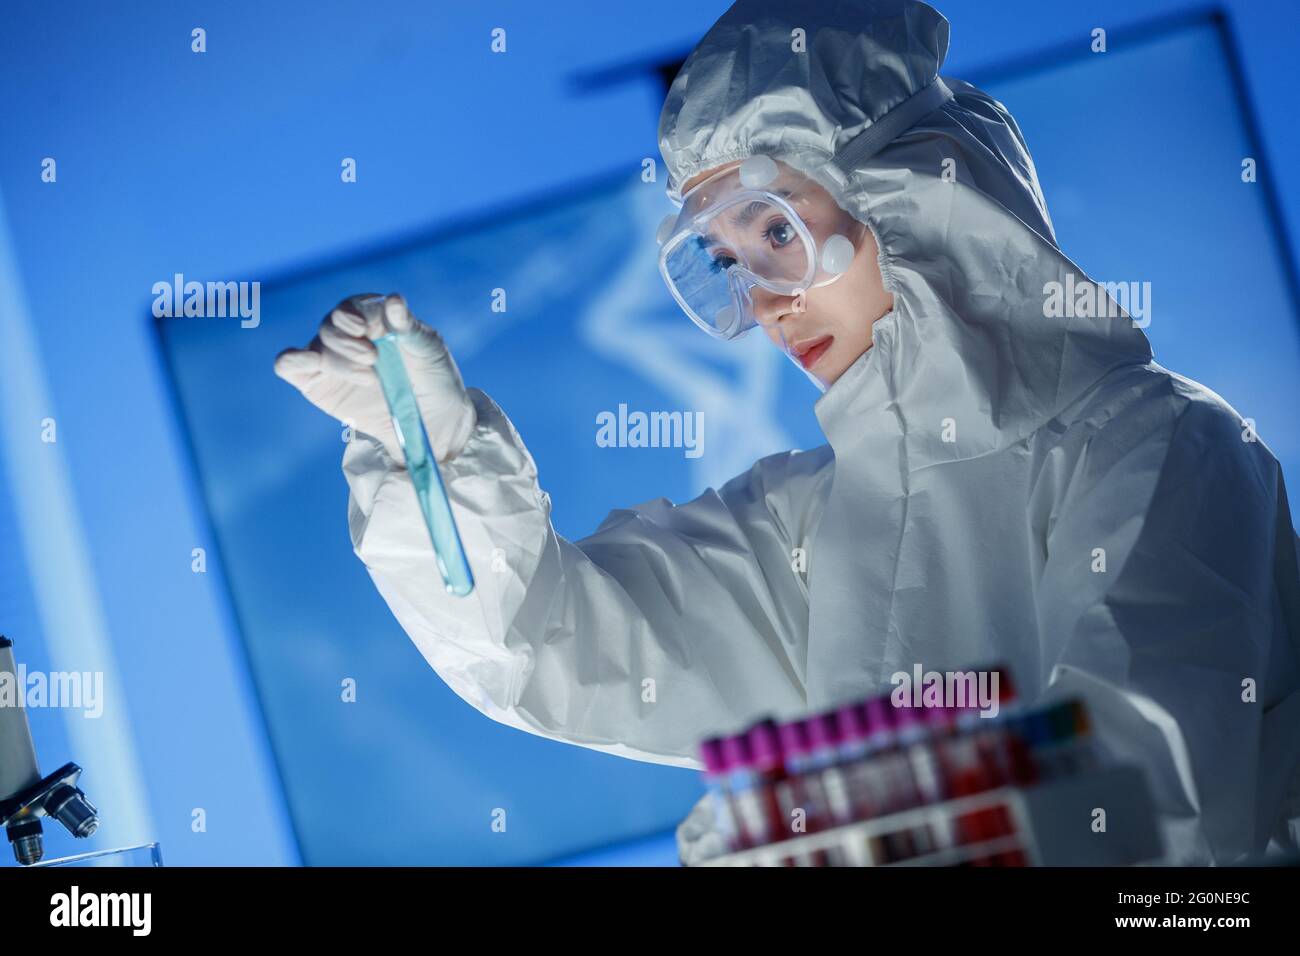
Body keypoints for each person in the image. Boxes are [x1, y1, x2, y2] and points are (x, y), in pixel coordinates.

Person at [275, 0, 1300, 865]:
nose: (765, 303)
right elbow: (547, 643)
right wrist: (432, 463)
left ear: (918, 194)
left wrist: (838, 833)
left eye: (776, 230)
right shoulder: (809, 521)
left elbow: (1144, 788)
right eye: (724, 261)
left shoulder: (1165, 444)